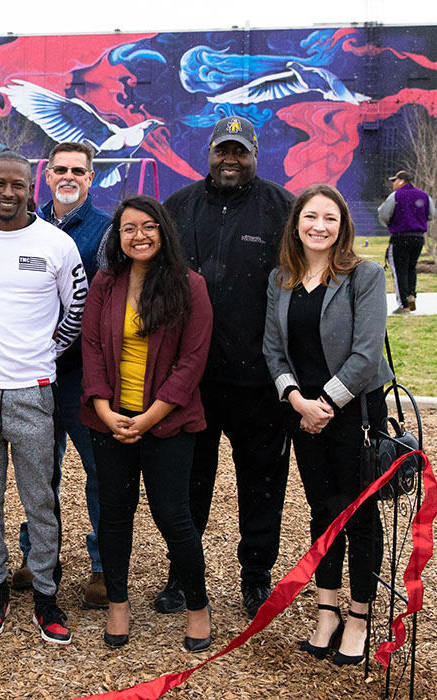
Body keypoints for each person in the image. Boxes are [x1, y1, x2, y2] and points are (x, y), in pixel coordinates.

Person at [160, 115, 295, 620]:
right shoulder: (178, 208)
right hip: (190, 381)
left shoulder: (282, 209)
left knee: (261, 485)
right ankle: (183, 576)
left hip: (260, 382)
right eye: (223, 150)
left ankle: (256, 578)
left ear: (255, 154)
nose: (230, 159)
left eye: (240, 151)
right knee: (188, 484)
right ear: (210, 153)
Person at [0, 151, 88, 645]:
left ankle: (47, 594)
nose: (8, 193)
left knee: (40, 499)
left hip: (33, 391)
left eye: (18, 185)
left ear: (33, 186)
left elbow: (77, 306)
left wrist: (46, 353)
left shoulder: (56, 242)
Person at [263, 183, 392, 666]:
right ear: (296, 223)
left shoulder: (364, 275)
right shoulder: (281, 279)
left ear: (343, 226)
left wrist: (324, 405)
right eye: (311, 217)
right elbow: (273, 351)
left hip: (353, 415)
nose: (319, 226)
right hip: (304, 416)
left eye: (330, 219)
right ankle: (327, 610)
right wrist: (298, 401)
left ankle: (359, 618)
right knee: (322, 512)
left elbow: (366, 355)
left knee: (359, 514)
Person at [80, 195, 213, 651]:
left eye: (148, 226)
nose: (139, 235)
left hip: (167, 423)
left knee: (173, 516)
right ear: (117, 237)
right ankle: (118, 605)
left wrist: (150, 416)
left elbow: (192, 362)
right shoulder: (105, 283)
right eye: (129, 228)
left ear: (164, 231)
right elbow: (92, 349)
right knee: (114, 517)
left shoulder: (189, 285)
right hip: (110, 421)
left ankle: (198, 607)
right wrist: (103, 409)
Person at [13, 140, 113, 608]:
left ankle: (103, 565)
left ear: (91, 178)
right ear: (46, 176)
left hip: (84, 372)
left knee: (98, 469)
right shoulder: (27, 227)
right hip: (32, 369)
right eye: (61, 170)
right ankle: (39, 556)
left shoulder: (105, 232)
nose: (69, 177)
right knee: (38, 468)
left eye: (79, 170)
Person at [378, 170, 434, 314]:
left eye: (394, 181)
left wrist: (391, 224)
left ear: (402, 180)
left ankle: (404, 305)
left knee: (399, 271)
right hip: (418, 237)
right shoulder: (424, 195)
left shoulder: (396, 196)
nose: (393, 184)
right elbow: (431, 214)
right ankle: (411, 297)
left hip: (400, 237)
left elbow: (383, 213)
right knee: (411, 268)